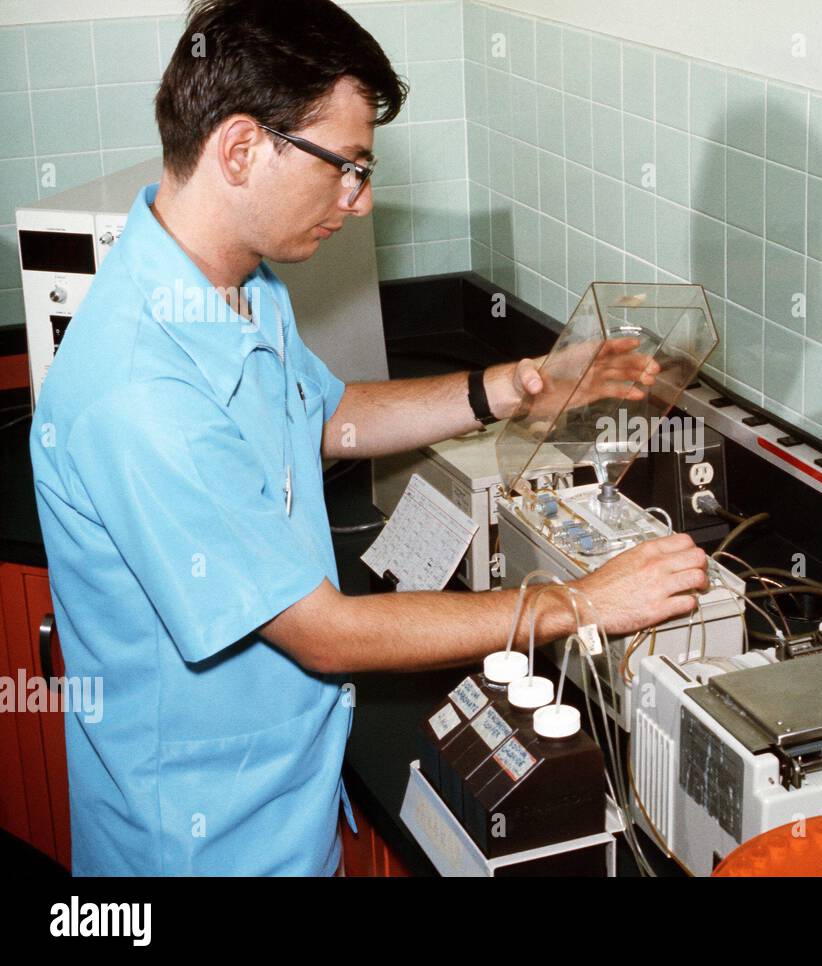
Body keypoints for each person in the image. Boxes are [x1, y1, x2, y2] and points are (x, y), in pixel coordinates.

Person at [27, 0, 709, 876]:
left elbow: (330, 417)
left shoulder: (238, 285)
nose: (359, 201)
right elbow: (326, 633)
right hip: (201, 846)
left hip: (288, 808)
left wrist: (517, 387)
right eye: (346, 167)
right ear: (241, 149)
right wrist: (577, 605)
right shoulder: (138, 390)